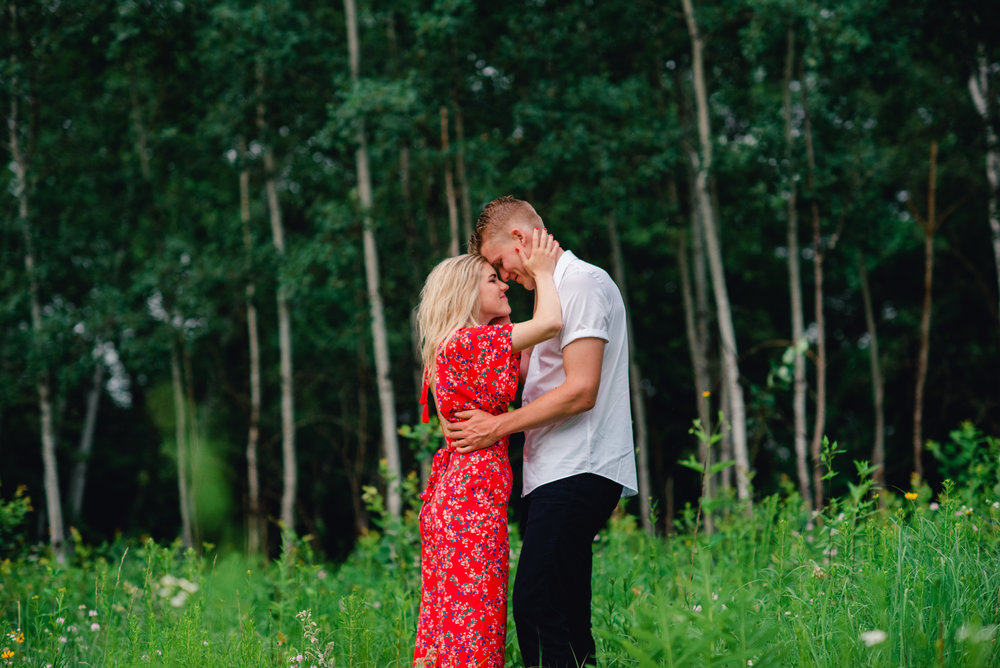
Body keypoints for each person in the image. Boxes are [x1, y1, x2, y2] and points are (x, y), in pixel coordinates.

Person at [447, 196, 639, 668]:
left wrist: (497, 427)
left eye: (499, 265)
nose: (505, 276)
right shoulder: (556, 293)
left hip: (580, 469)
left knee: (535, 603)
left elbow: (581, 390)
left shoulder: (583, 284)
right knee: (567, 613)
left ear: (520, 240)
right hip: (553, 472)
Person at [412, 228, 562, 668]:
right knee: (472, 632)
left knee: (454, 629)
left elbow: (527, 362)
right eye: (491, 280)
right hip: (469, 505)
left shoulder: (464, 346)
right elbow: (550, 324)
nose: (503, 283)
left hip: (463, 499)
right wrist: (544, 273)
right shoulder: (465, 343)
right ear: (466, 294)